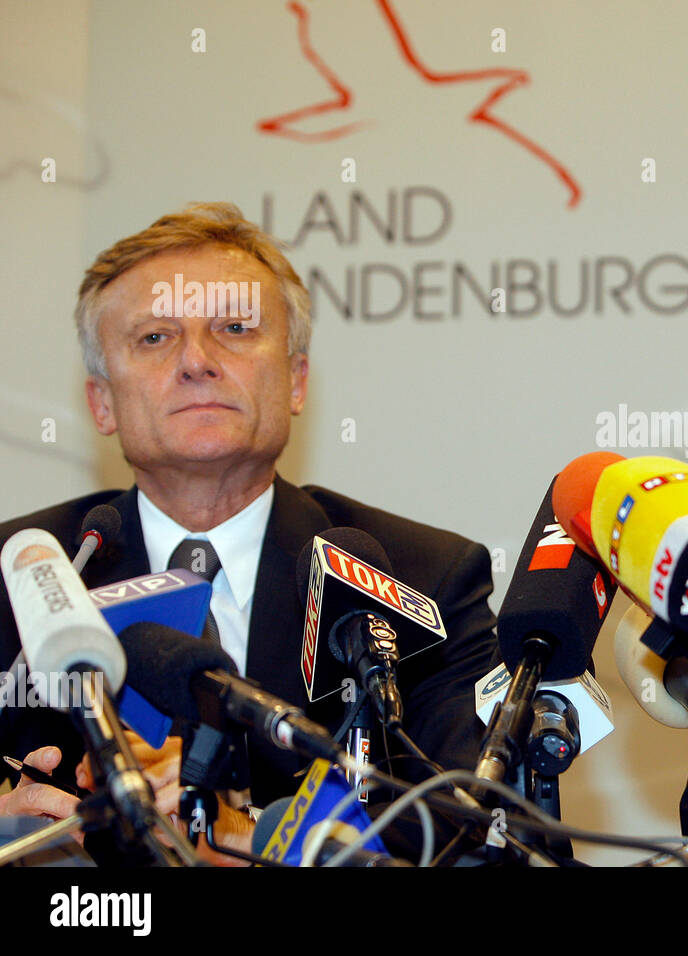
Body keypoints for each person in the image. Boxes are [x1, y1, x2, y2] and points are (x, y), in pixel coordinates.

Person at [0, 203, 498, 861]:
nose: (196, 362)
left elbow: (472, 830)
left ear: (296, 381)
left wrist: (245, 834)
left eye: (234, 329)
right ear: (102, 402)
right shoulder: (19, 573)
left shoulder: (425, 576)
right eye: (155, 337)